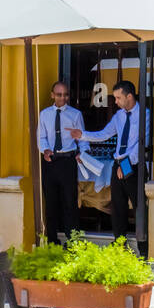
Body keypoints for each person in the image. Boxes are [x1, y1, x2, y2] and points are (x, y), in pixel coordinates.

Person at [69, 79, 147, 240]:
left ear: (130, 96)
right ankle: (119, 243)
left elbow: (141, 144)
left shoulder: (144, 115)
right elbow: (104, 134)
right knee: (118, 206)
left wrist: (125, 164)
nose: (115, 101)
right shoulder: (119, 116)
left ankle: (143, 247)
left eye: (118, 98)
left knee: (139, 207)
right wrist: (82, 135)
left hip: (134, 165)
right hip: (117, 164)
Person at [38, 80, 85, 243]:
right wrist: (45, 150)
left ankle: (73, 242)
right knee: (51, 204)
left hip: (68, 162)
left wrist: (83, 154)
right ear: (52, 95)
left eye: (65, 94)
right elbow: (41, 137)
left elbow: (82, 138)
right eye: (59, 94)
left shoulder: (75, 114)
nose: (62, 98)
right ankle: (52, 242)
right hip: (50, 162)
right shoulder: (44, 114)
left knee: (70, 203)